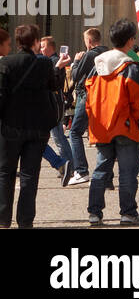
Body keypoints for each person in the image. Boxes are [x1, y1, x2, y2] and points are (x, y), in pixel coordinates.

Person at [0, 24, 70, 228]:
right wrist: (61, 68)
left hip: (10, 126)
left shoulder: (7, 63)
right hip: (37, 129)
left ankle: (3, 219)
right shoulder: (45, 65)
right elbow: (55, 86)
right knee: (30, 175)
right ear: (36, 42)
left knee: (6, 173)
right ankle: (25, 220)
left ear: (17, 42)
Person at [84, 16, 139, 226]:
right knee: (127, 172)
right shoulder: (131, 67)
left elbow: (88, 99)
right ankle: (128, 213)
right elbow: (136, 102)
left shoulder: (97, 66)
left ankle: (94, 213)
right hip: (125, 125)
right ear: (130, 41)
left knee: (101, 169)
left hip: (102, 126)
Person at [67, 26, 108, 185]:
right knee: (103, 134)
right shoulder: (106, 52)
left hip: (87, 95)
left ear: (89, 41)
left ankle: (81, 170)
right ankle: (107, 176)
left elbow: (76, 76)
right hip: (102, 96)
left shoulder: (90, 54)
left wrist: (76, 61)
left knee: (75, 132)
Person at [36, 36, 75, 186]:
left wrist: (58, 66)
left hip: (52, 106)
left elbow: (54, 82)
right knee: (56, 137)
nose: (41, 49)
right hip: (53, 105)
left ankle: (69, 166)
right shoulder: (51, 61)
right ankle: (65, 165)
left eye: (43, 46)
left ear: (51, 47)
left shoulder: (53, 61)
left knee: (58, 137)